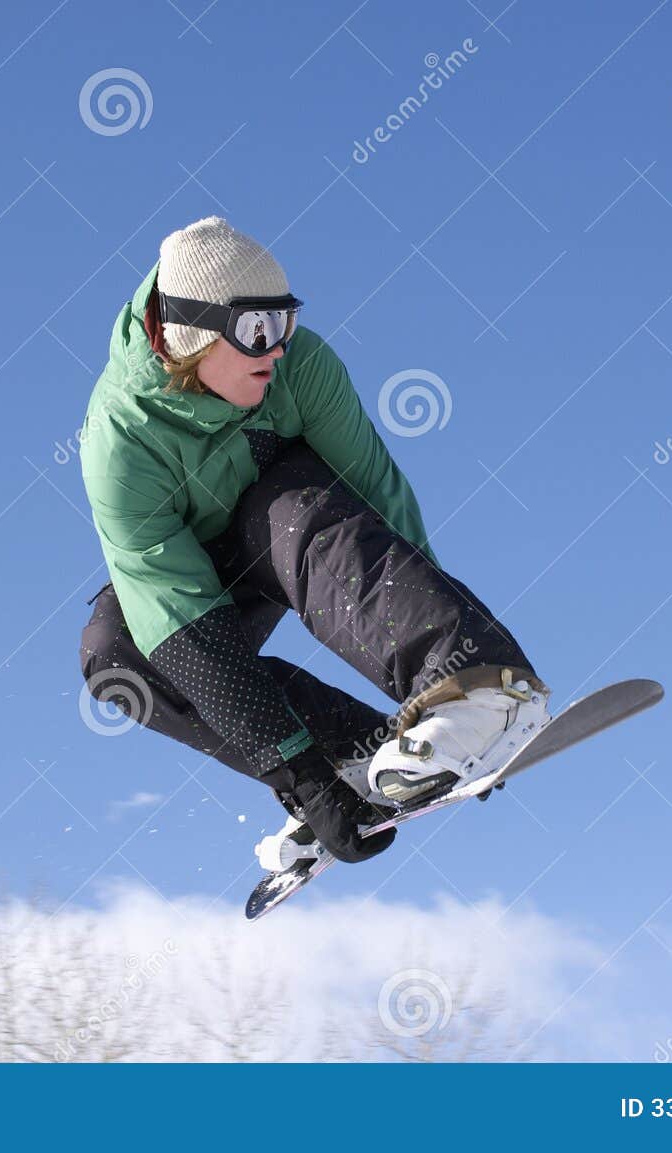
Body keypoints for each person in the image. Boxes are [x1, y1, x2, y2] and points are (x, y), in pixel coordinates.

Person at [78, 216, 548, 867]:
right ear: (192, 336)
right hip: (198, 587)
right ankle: (346, 756)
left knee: (282, 503)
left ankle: (472, 691)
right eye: (256, 330)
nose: (277, 348)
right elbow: (176, 614)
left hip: (294, 532)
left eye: (284, 322)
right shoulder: (118, 440)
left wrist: (457, 665)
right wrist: (302, 777)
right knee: (115, 655)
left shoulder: (303, 371)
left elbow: (380, 503)